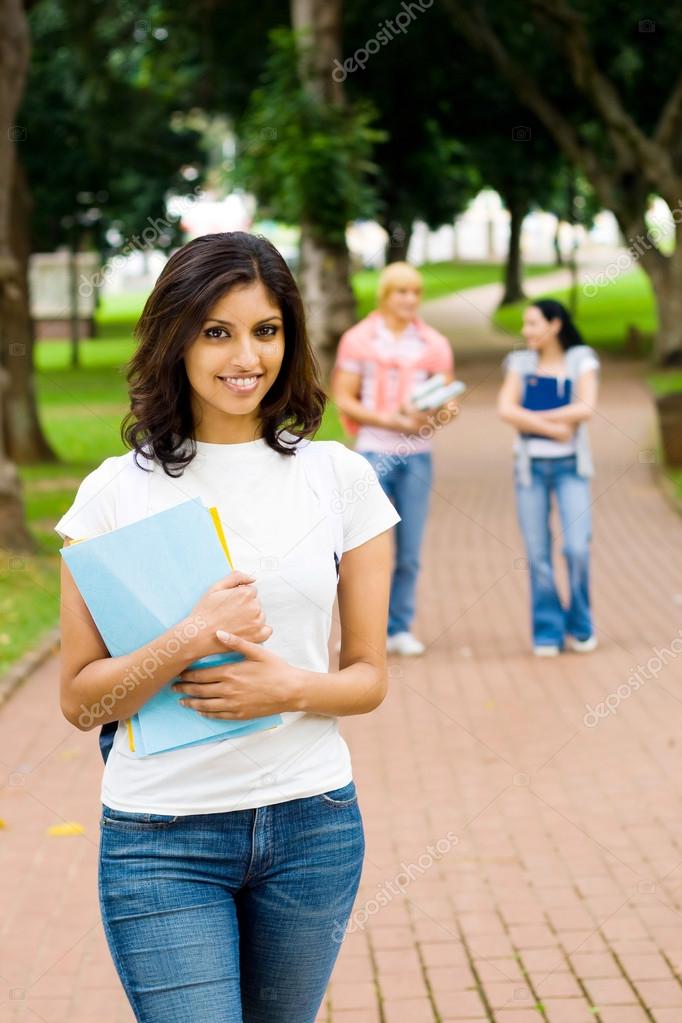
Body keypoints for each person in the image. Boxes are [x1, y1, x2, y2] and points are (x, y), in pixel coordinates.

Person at [54, 231, 400, 1023]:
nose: (246, 356)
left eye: (266, 330)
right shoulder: (114, 494)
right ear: (176, 337)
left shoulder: (340, 479)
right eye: (217, 331)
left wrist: (290, 688)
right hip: (162, 839)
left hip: (312, 826)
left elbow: (369, 676)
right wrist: (191, 634)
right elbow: (79, 701)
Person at [332, 261, 456, 657]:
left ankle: (399, 627)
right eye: (402, 292)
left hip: (417, 457)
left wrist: (439, 416)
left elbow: (448, 401)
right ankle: (361, 632)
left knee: (409, 550)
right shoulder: (359, 340)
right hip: (372, 454)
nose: (410, 299)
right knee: (363, 549)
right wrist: (390, 420)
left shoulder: (433, 344)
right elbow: (344, 397)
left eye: (416, 292)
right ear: (385, 295)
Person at [497, 298, 600, 657]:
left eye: (533, 324)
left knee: (576, 548)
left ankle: (581, 623)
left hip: (571, 468)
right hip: (531, 470)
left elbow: (586, 407)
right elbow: (505, 408)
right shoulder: (520, 362)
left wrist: (532, 418)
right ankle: (547, 631)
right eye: (525, 324)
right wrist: (555, 427)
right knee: (537, 553)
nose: (526, 331)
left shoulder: (580, 359)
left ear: (555, 325)